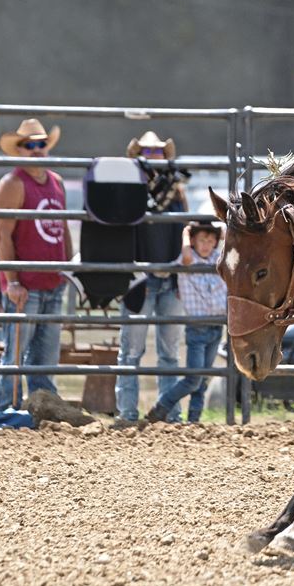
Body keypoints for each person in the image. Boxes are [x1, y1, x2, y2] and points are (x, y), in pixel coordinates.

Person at [0, 119, 71, 410]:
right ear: (20, 150)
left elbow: (62, 228)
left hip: (52, 281)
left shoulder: (56, 181)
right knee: (15, 354)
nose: (36, 150)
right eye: (30, 146)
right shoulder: (12, 184)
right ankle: (6, 410)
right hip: (25, 286)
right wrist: (11, 281)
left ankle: (43, 409)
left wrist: (67, 267)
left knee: (46, 357)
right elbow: (2, 234)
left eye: (41, 144)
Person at [113, 131, 187, 426]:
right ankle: (127, 414)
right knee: (131, 350)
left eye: (157, 152)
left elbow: (184, 230)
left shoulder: (176, 191)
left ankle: (167, 413)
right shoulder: (130, 189)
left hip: (170, 277)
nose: (153, 157)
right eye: (147, 152)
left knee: (169, 351)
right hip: (139, 278)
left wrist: (182, 273)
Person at [145, 222, 226, 424]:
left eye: (210, 240)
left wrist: (219, 234)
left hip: (216, 326)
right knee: (194, 379)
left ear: (216, 242)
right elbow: (187, 254)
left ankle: (194, 420)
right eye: (201, 240)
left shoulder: (219, 259)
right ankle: (162, 405)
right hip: (197, 329)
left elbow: (228, 236)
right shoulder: (187, 259)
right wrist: (186, 232)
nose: (206, 245)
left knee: (202, 379)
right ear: (192, 242)